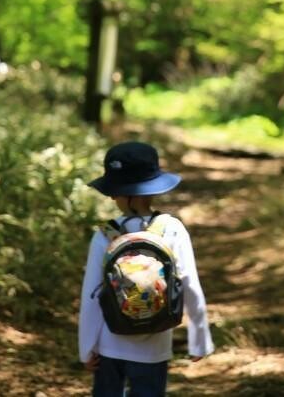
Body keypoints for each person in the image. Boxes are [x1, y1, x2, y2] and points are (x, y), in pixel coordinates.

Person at [79, 141, 214, 396]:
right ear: (154, 189)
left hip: (110, 344)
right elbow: (190, 285)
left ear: (115, 193)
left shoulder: (105, 236)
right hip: (155, 344)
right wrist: (199, 340)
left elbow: (91, 296)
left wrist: (87, 347)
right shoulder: (172, 229)